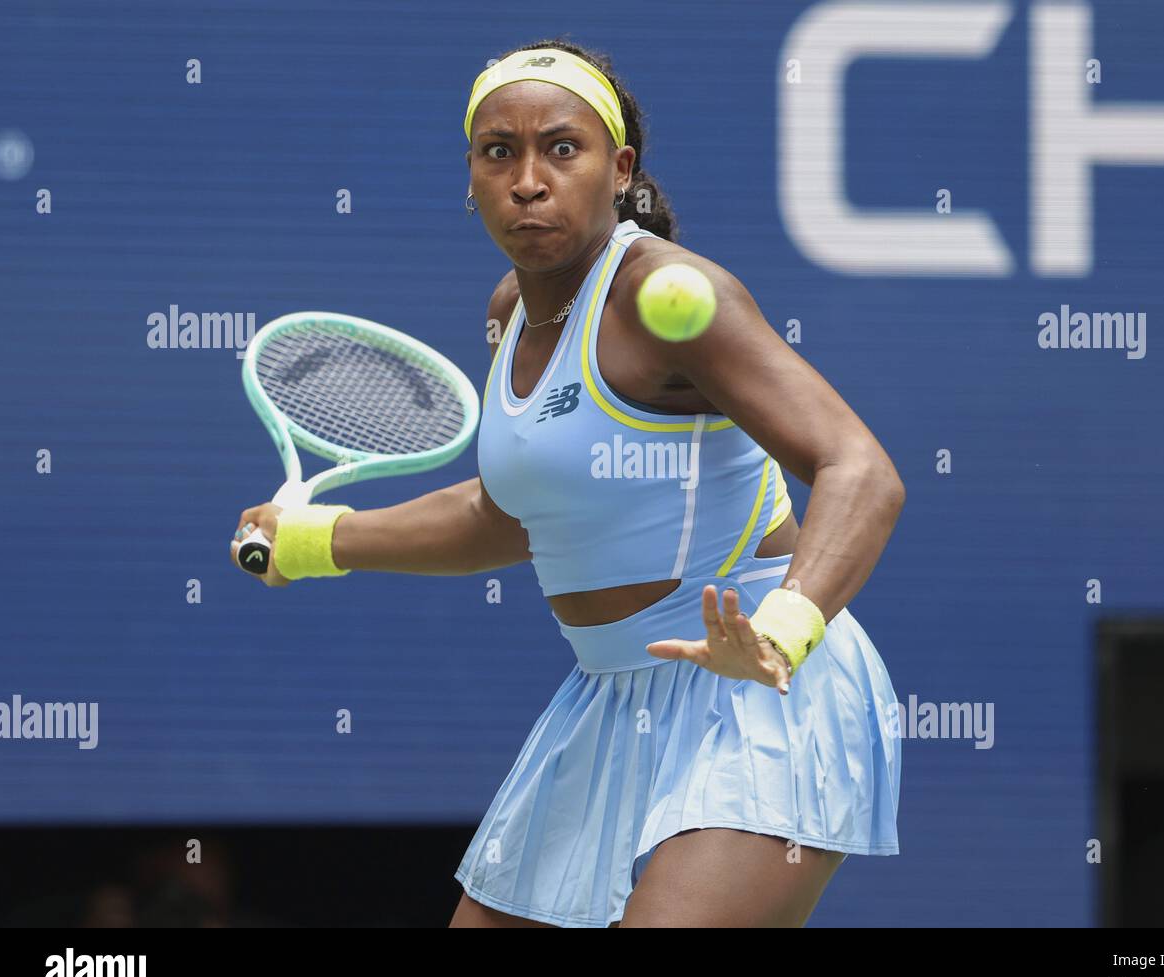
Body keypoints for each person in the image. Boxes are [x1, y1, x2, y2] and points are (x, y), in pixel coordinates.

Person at [231, 38, 905, 928]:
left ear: (618, 169)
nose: (528, 179)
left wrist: (781, 631)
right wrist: (315, 542)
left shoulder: (670, 295)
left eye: (562, 147)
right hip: (608, 702)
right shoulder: (509, 311)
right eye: (498, 152)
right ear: (470, 176)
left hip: (758, 693)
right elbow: (511, 518)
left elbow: (859, 468)